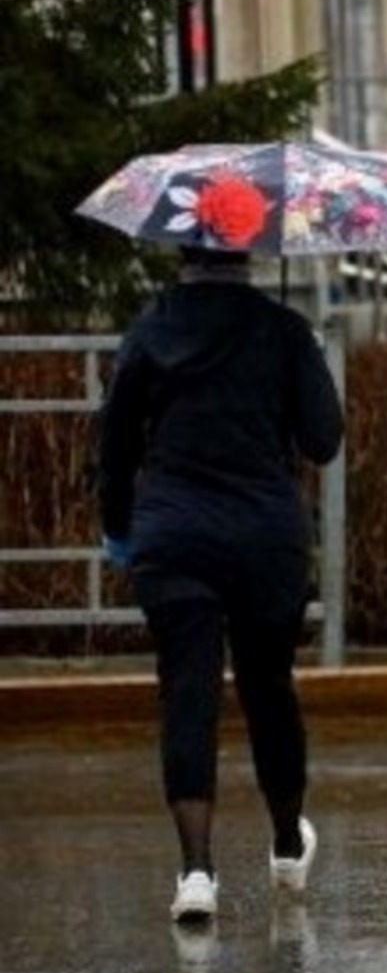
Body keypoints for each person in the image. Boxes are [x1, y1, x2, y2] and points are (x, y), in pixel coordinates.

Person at [97, 245, 344, 925]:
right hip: (265, 538)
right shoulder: (283, 329)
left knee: (188, 691)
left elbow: (115, 444)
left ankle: (197, 872)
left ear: (182, 253)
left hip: (173, 535)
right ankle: (287, 841)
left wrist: (118, 529)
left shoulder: (151, 328)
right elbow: (324, 439)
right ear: (250, 253)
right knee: (269, 687)